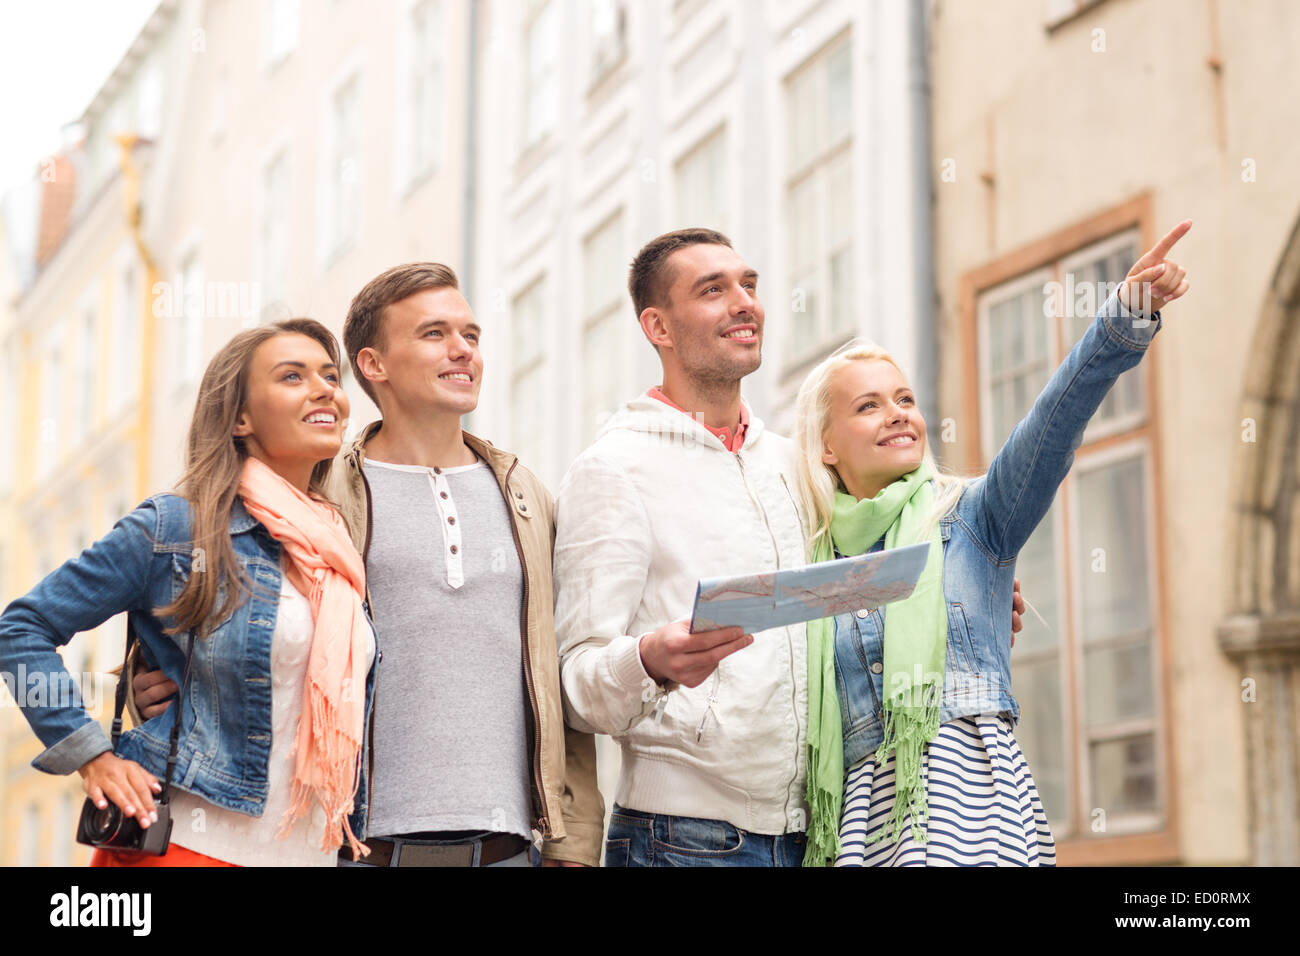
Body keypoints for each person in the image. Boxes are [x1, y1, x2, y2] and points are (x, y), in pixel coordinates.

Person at [553, 227, 1026, 866]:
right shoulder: (613, 467)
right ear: (658, 327)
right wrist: (649, 659)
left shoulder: (793, 466)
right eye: (713, 290)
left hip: (813, 836)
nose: (743, 302)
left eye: (748, 285)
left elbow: (857, 577)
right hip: (682, 838)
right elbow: (576, 685)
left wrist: (963, 596)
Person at [133, 263, 603, 867]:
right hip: (353, 849)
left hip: (511, 852)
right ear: (374, 364)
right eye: (435, 334)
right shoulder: (323, 502)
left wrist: (578, 841)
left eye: (472, 335)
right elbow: (238, 632)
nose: (463, 350)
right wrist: (155, 686)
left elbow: (556, 669)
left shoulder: (525, 496)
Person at [793, 221, 1192, 866]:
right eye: (867, 406)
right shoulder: (810, 563)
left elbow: (1054, 422)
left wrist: (1124, 318)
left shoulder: (974, 517)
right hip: (863, 823)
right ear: (826, 446)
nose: (898, 413)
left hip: (974, 806)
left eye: (904, 398)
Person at [0, 318, 376, 866]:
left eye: (329, 375)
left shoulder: (336, 548)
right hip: (190, 849)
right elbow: (21, 631)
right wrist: (94, 757)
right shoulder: (178, 529)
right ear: (240, 417)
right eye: (292, 377)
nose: (325, 389)